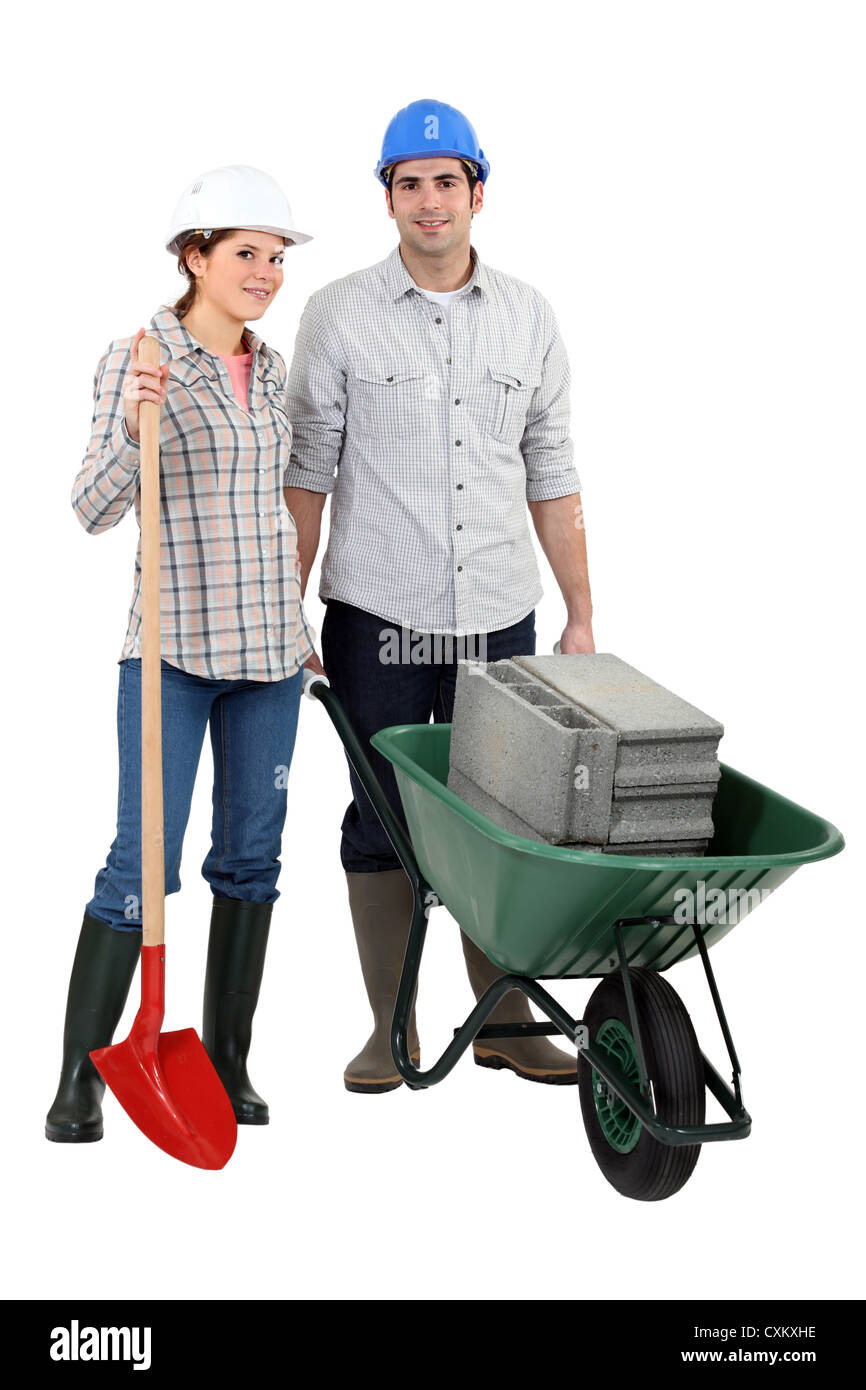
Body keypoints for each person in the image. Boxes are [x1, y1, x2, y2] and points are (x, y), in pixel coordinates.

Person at [285, 101, 595, 1093]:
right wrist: (284, 608)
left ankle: (502, 1017)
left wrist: (579, 610)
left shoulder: (528, 316)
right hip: (376, 613)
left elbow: (551, 468)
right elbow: (306, 474)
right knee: (380, 814)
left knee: (501, 820)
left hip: (500, 617)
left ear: (476, 192)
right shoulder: (336, 313)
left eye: (444, 183)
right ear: (387, 197)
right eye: (408, 184)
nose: (428, 202)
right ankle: (390, 1024)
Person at [46, 165, 316, 1141]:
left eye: (276, 256)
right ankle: (78, 1077)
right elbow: (89, 509)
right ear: (193, 256)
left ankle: (228, 1061)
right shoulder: (138, 356)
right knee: (138, 863)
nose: (266, 272)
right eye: (246, 252)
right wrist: (131, 425)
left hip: (270, 660)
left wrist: (302, 635)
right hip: (169, 653)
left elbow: (269, 515)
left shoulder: (273, 367)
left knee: (250, 861)